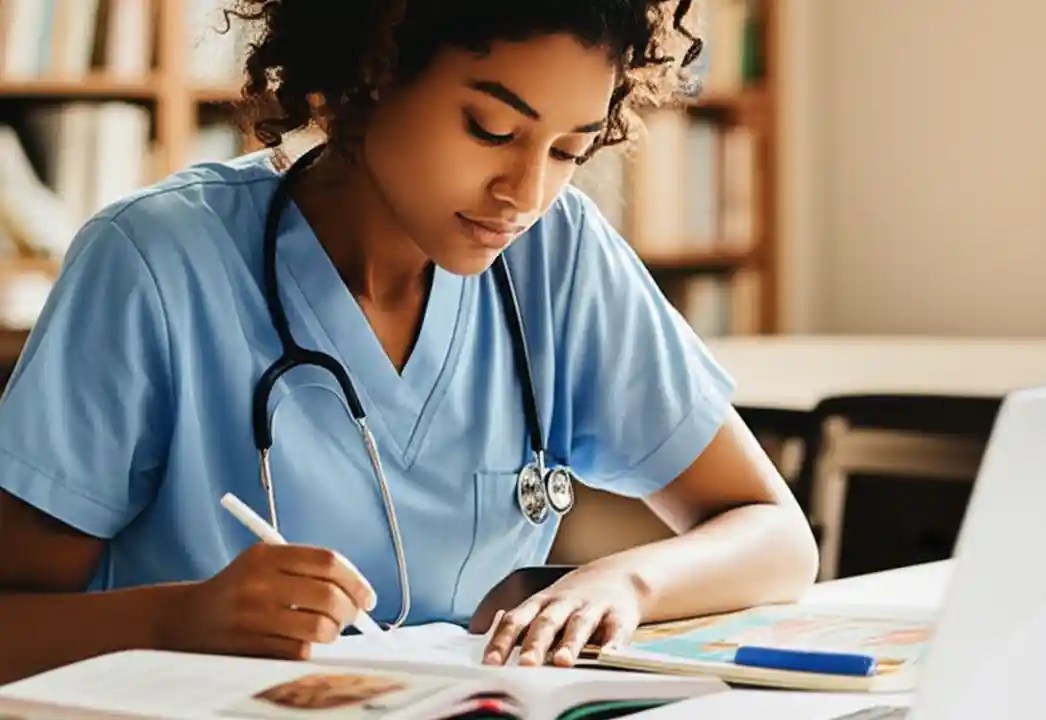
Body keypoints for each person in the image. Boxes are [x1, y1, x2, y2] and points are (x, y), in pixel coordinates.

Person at [0, 0, 817, 684]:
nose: (526, 193)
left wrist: (624, 581)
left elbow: (775, 535)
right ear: (368, 81)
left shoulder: (557, 254)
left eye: (570, 148)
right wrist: (179, 617)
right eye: (491, 128)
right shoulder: (154, 262)